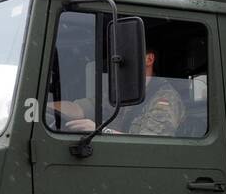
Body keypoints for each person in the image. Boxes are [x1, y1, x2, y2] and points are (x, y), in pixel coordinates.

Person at [51, 48, 184, 137]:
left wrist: (100, 131)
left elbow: (151, 146)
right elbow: (79, 109)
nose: (118, 60)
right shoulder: (124, 93)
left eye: (126, 53)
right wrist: (39, 106)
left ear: (148, 59)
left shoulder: (166, 99)